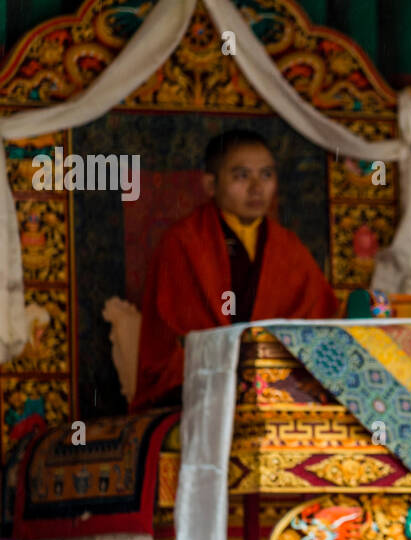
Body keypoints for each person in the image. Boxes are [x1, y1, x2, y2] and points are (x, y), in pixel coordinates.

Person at [132, 130, 339, 410]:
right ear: (210, 184)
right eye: (241, 176)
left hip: (279, 385)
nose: (257, 188)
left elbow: (320, 323)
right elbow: (172, 340)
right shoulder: (184, 243)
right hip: (200, 385)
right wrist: (234, 370)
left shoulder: (289, 248)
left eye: (266, 175)